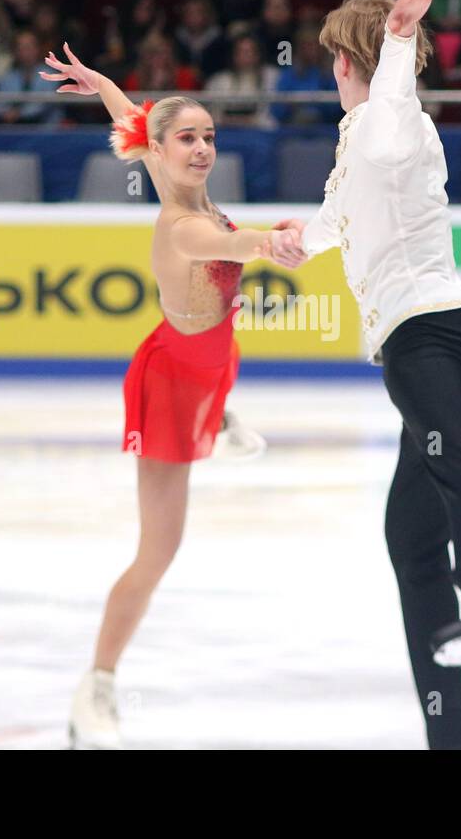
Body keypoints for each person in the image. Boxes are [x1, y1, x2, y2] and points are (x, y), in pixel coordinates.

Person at [280, 0, 461, 750]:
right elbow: (337, 216)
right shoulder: (360, 141)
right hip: (444, 340)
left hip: (430, 337)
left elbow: (391, 110)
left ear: (342, 61)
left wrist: (397, 39)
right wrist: (291, 241)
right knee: (412, 538)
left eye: (333, 57)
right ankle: (452, 736)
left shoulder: (388, 124)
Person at [39, 44, 304, 750]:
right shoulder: (183, 225)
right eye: (187, 137)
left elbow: (131, 119)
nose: (202, 148)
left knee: (223, 358)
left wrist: (101, 84)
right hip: (171, 385)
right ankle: (95, 685)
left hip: (212, 362)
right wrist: (278, 240)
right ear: (163, 150)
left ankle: (223, 410)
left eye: (210, 136)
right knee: (160, 551)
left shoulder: (166, 172)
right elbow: (246, 244)